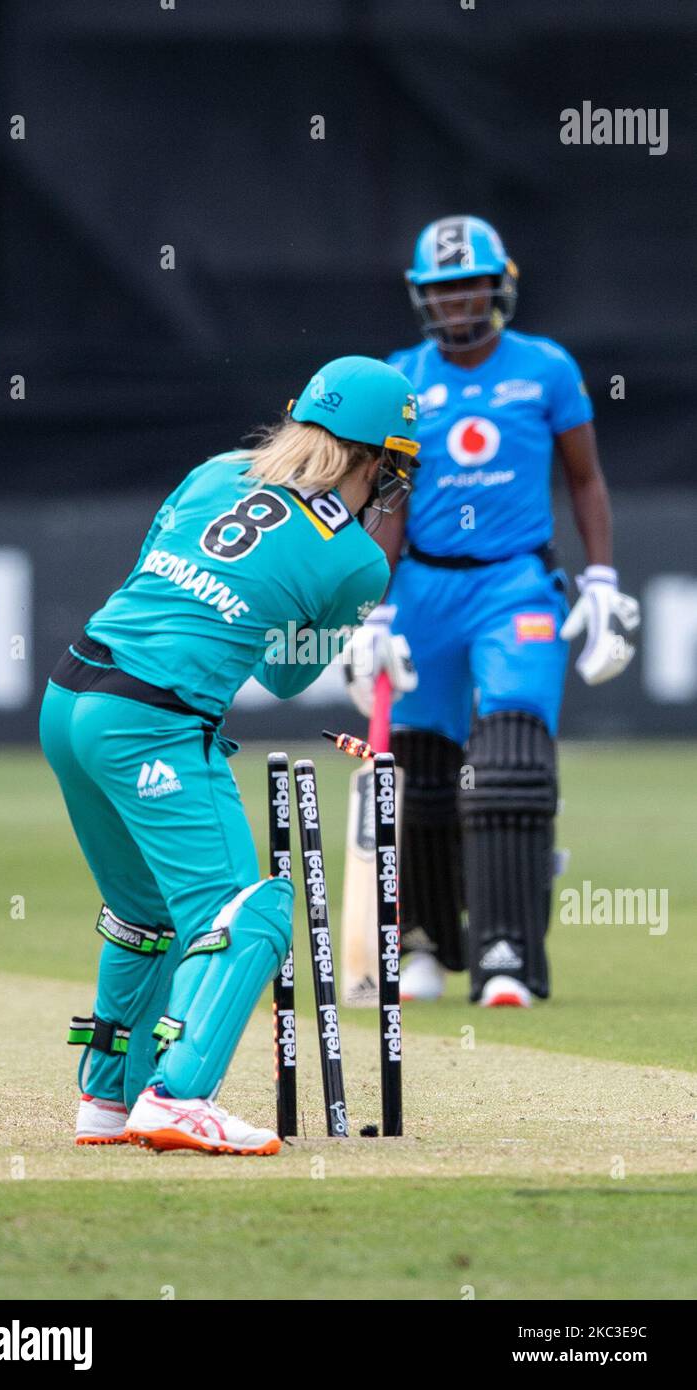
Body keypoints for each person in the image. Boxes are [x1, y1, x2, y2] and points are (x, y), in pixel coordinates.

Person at [40, 355, 419, 1154]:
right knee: (253, 911)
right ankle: (176, 1097)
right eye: (396, 468)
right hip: (155, 720)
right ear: (377, 462)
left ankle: (107, 1100)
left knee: (145, 912)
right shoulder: (357, 560)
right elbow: (284, 677)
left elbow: (151, 571)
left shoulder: (217, 470)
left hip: (71, 696)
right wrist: (349, 632)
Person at [344, 216, 639, 1008]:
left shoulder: (544, 368)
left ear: (498, 285)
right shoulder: (402, 378)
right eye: (442, 289)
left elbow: (585, 479)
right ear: (420, 297)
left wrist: (602, 580)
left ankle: (507, 951)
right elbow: (390, 500)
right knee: (417, 774)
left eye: (470, 284)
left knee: (508, 762)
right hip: (423, 590)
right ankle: (429, 944)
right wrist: (372, 610)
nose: (458, 301)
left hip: (514, 584)